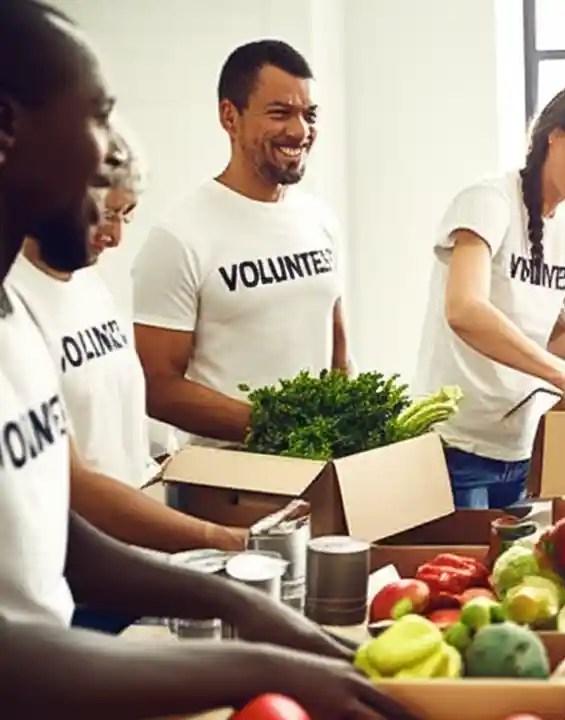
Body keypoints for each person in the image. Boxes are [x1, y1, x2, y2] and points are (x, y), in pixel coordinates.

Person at [0, 3, 413, 718]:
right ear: (8, 128)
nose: (110, 156)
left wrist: (240, 599)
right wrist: (251, 663)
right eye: (97, 116)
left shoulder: (13, 327)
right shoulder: (173, 241)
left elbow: (54, 533)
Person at [412, 80, 565, 510]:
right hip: (455, 444)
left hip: (523, 449)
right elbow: (465, 310)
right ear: (556, 134)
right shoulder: (487, 202)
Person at [7, 124, 246, 559]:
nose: (116, 237)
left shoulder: (88, 283)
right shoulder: (16, 302)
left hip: (142, 547)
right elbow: (72, 484)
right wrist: (218, 538)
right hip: (82, 567)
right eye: (104, 215)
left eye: (126, 215)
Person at [132, 39, 351, 450]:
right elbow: (155, 385)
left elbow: (338, 353)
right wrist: (277, 429)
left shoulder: (320, 220)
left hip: (318, 469)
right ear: (230, 117)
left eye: (310, 115)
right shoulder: (179, 236)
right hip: (227, 488)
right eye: (280, 113)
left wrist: (348, 434)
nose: (300, 131)